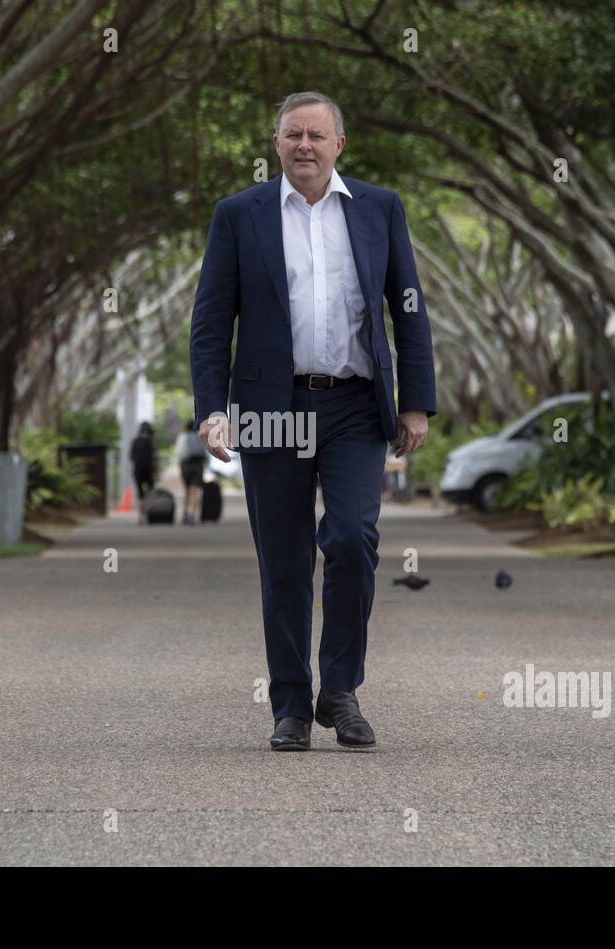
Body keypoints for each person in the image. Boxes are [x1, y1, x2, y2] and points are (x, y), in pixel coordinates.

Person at [189, 91, 436, 751]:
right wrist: (212, 410)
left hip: (355, 404)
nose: (304, 145)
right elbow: (212, 321)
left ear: (338, 146)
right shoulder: (239, 216)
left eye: (316, 135)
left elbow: (407, 308)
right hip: (273, 408)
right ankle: (291, 707)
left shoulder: (380, 209)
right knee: (285, 560)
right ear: (276, 145)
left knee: (353, 539)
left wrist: (416, 399)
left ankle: (342, 690)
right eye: (293, 134)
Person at [175, 419, 207, 525]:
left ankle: (184, 514)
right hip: (198, 464)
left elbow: (179, 453)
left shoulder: (182, 437)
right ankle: (192, 515)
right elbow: (204, 452)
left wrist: (180, 468)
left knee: (187, 491)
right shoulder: (200, 436)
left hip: (186, 465)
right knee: (195, 491)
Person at [130, 422, 156, 526]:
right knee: (149, 493)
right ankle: (149, 516)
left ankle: (140, 517)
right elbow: (153, 458)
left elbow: (131, 456)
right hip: (149, 470)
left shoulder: (135, 441)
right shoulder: (151, 441)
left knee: (140, 494)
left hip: (137, 470)